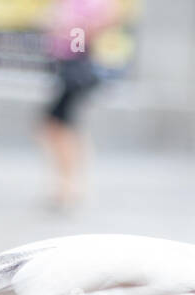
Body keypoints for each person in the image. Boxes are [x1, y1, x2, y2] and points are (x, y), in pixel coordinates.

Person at [40, 0, 120, 210]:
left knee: (58, 125)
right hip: (67, 63)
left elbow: (108, 18)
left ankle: (69, 186)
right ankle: (70, 185)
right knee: (63, 126)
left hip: (77, 64)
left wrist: (74, 30)